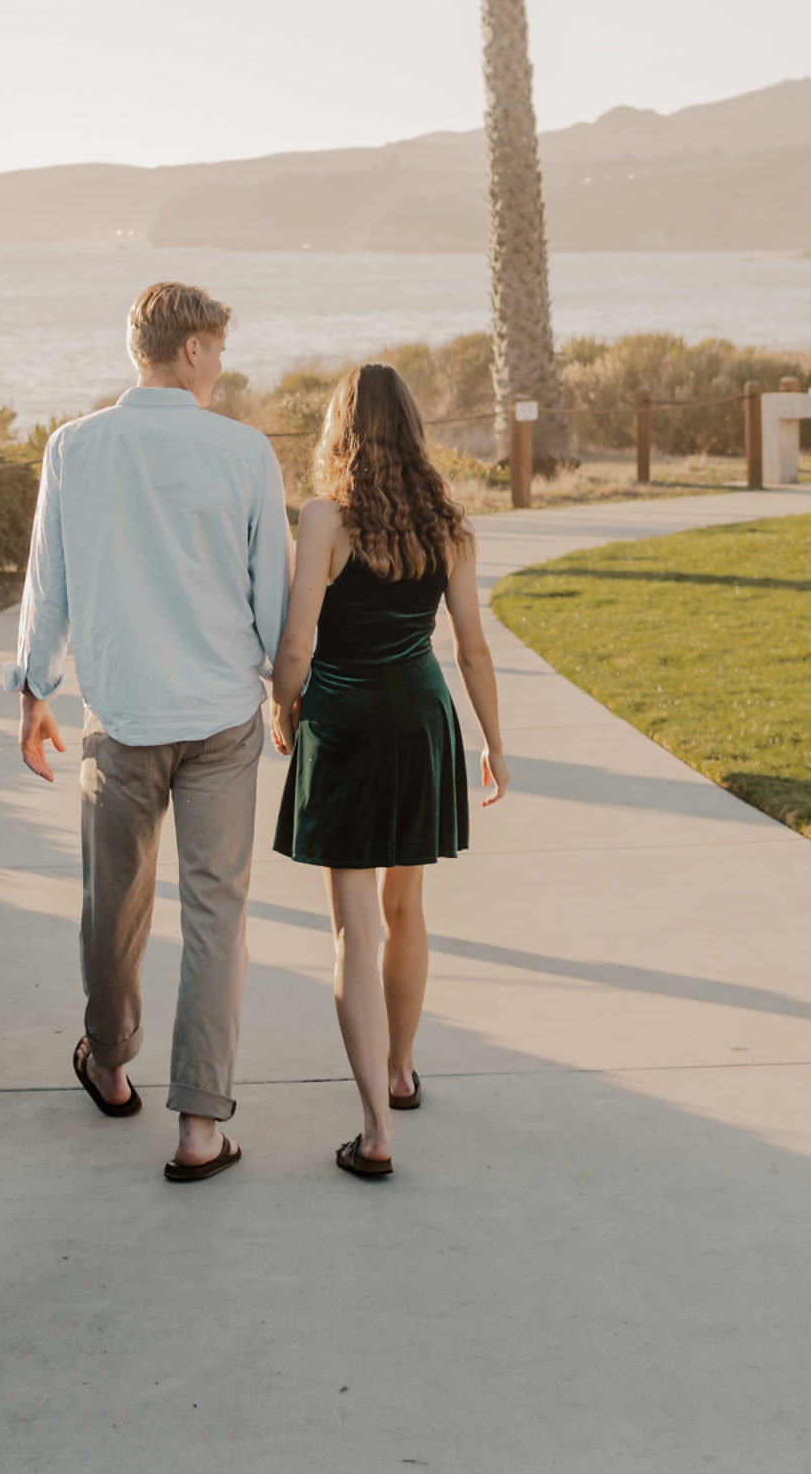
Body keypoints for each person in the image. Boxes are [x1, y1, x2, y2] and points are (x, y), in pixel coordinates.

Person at [8, 280, 290, 1184]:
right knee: (216, 914)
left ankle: (111, 1065)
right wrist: (285, 695)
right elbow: (272, 593)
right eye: (219, 346)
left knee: (115, 902)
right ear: (195, 350)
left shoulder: (74, 447)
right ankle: (201, 1129)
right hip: (218, 718)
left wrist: (33, 689)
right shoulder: (245, 452)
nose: (222, 362)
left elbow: (46, 579)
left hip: (121, 716)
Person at [270, 362, 508, 1180]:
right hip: (420, 716)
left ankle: (375, 1127)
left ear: (342, 428)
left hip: (344, 723)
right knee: (405, 907)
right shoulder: (449, 523)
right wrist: (493, 742)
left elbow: (297, 642)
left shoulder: (326, 518)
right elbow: (472, 646)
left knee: (353, 928)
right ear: (411, 429)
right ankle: (401, 1072)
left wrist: (281, 703)